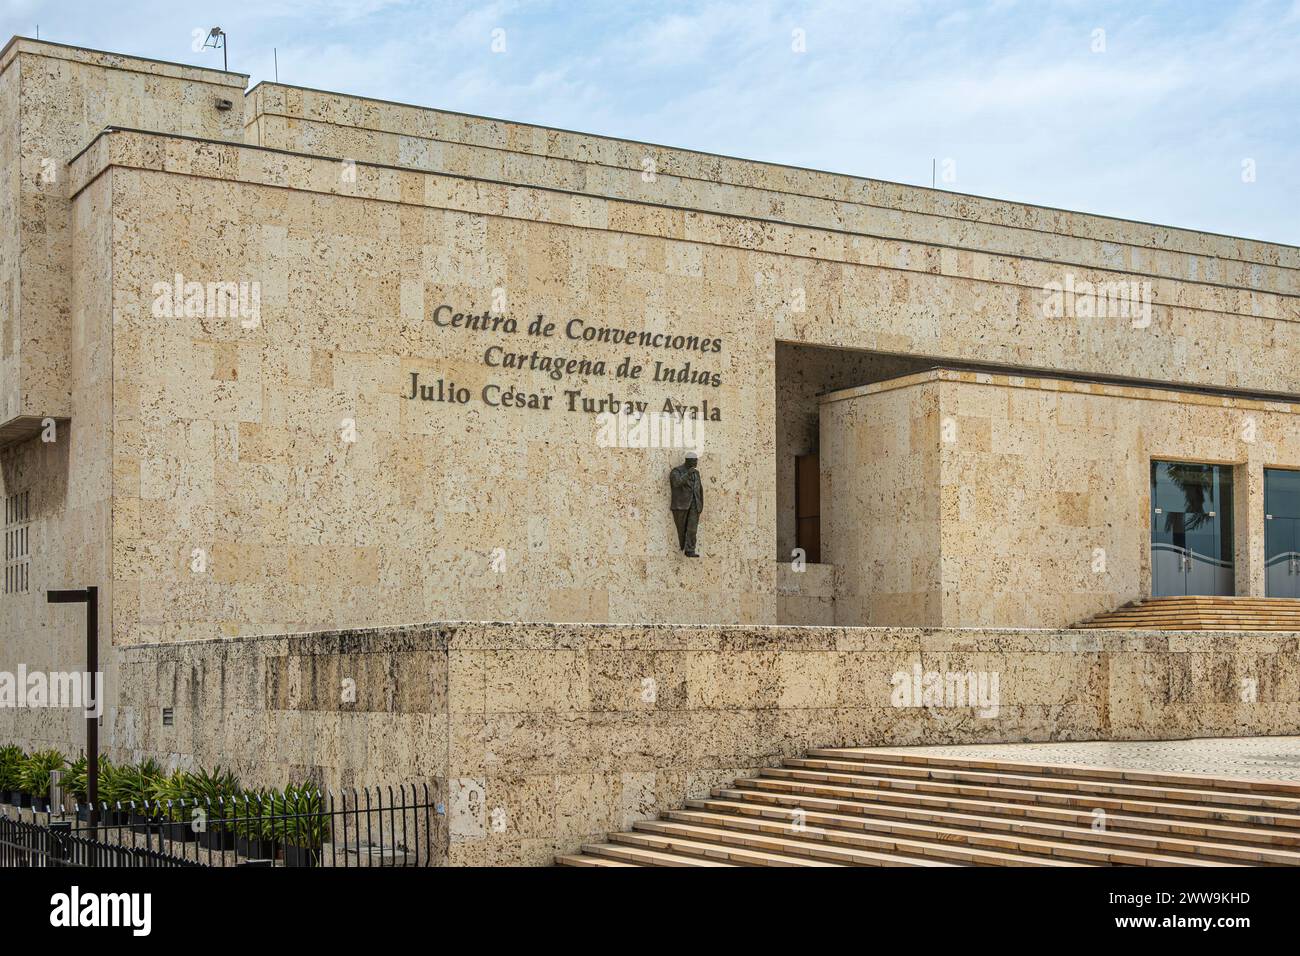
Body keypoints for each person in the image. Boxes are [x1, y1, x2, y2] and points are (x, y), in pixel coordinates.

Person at [669, 451, 703, 557]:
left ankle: (690, 550)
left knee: (692, 529)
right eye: (694, 460)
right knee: (681, 530)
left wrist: (700, 503)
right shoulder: (677, 471)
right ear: (688, 461)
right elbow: (676, 483)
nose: (696, 462)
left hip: (694, 505)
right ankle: (682, 546)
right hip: (681, 506)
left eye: (696, 460)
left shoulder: (696, 473)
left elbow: (699, 489)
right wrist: (688, 474)